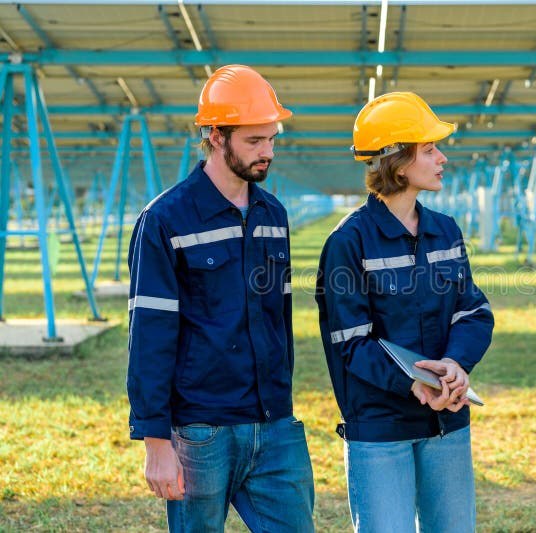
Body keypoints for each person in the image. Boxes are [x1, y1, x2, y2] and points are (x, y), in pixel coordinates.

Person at [126, 64, 314, 532]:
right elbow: (150, 333)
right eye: (254, 141)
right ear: (214, 135)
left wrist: (282, 399)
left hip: (274, 425)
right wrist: (155, 441)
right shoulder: (166, 219)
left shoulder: (274, 214)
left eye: (272, 138)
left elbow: (279, 318)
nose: (267, 152)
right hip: (200, 432)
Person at [315, 91, 494, 532]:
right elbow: (351, 344)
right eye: (430, 149)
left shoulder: (445, 231)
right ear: (398, 162)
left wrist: (454, 364)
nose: (442, 158)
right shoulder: (348, 243)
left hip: (447, 420)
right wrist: (415, 383)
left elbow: (472, 311)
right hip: (380, 428)